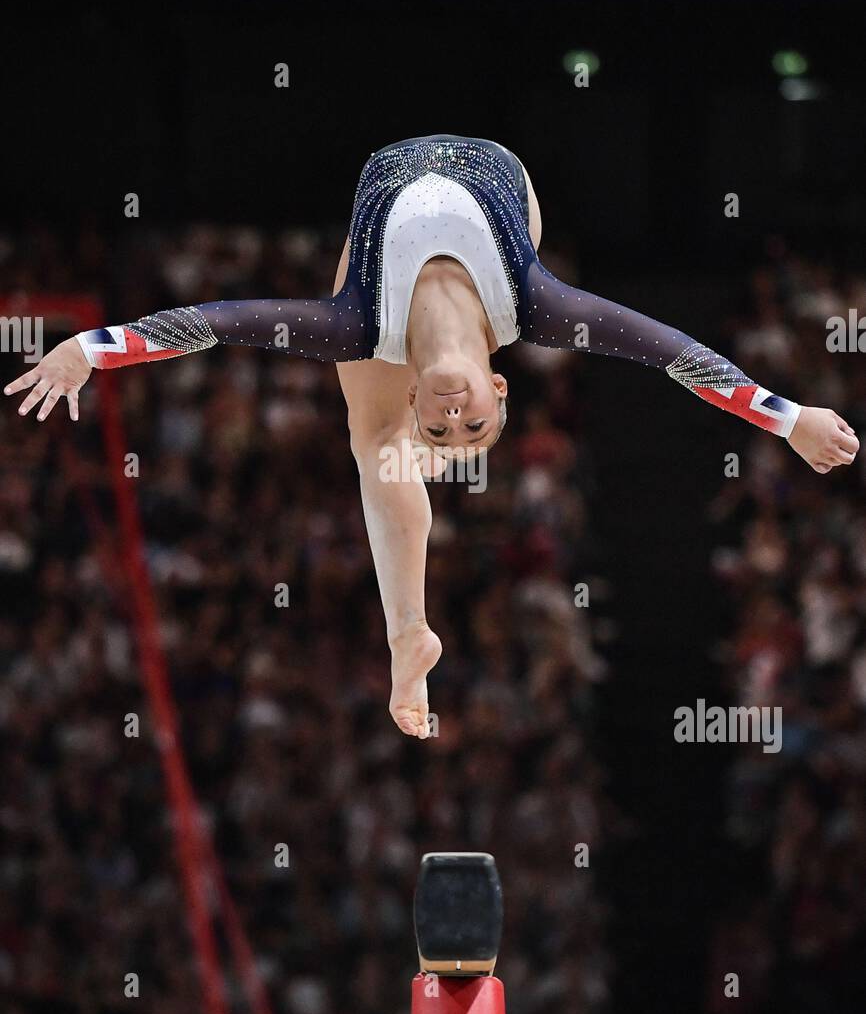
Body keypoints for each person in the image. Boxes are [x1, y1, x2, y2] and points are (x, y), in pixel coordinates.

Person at [6, 134, 859, 736]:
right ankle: (407, 627)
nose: (453, 413)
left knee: (373, 438)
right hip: (502, 180)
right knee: (383, 434)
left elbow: (218, 321)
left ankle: (405, 631)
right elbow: (676, 354)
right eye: (473, 419)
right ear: (497, 385)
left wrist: (93, 349)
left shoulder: (352, 325)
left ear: (420, 393)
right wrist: (790, 418)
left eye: (438, 420)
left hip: (380, 210)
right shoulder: (536, 305)